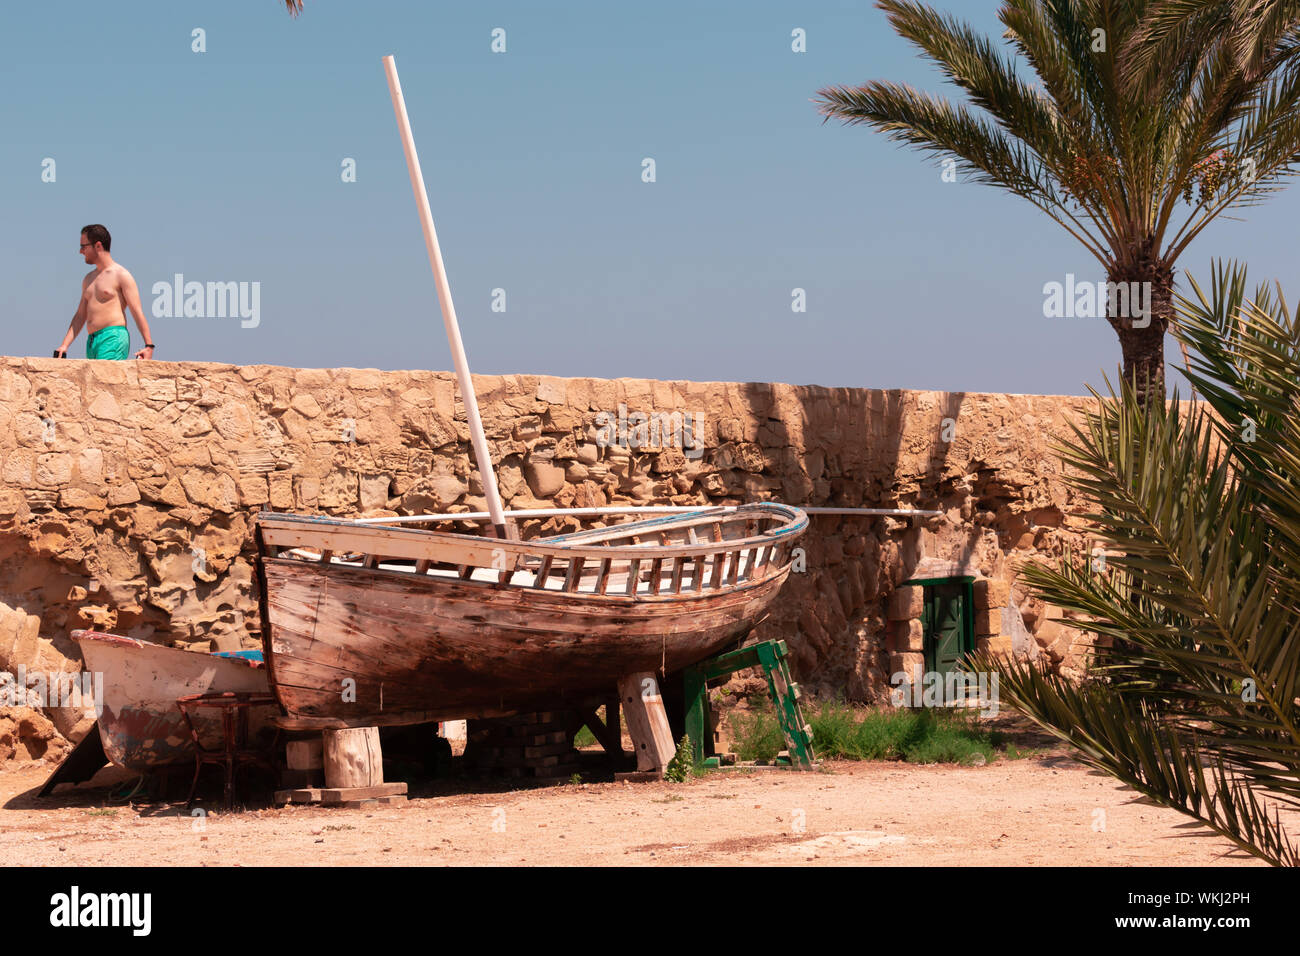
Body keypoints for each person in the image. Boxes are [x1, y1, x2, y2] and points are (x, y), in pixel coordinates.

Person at [54, 225, 155, 360]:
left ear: (98, 246)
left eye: (83, 246)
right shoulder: (88, 279)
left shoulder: (121, 275)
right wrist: (64, 345)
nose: (80, 251)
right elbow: (80, 315)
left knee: (103, 381)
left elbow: (136, 311)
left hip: (113, 337)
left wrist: (149, 345)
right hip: (92, 341)